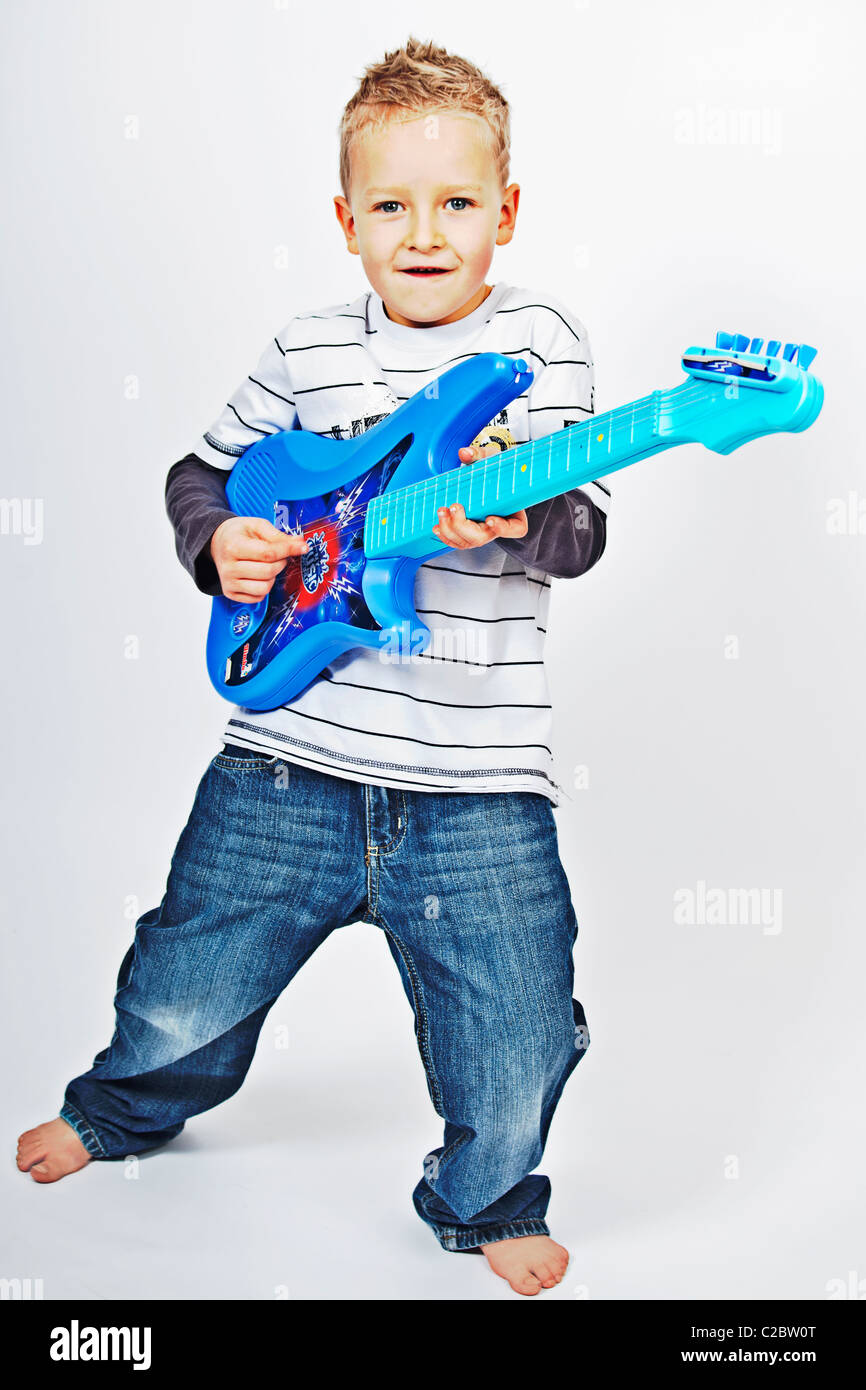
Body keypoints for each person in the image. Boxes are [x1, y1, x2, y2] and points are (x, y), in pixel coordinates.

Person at [17, 36, 611, 1298]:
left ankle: (486, 1194)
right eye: (390, 205)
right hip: (286, 758)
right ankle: (125, 1105)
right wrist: (216, 541)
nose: (424, 231)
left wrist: (516, 517)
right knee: (186, 974)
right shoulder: (306, 347)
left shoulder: (540, 347)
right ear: (344, 220)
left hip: (474, 779)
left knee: (511, 1031)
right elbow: (201, 476)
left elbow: (581, 531)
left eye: (456, 202)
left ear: (508, 211)